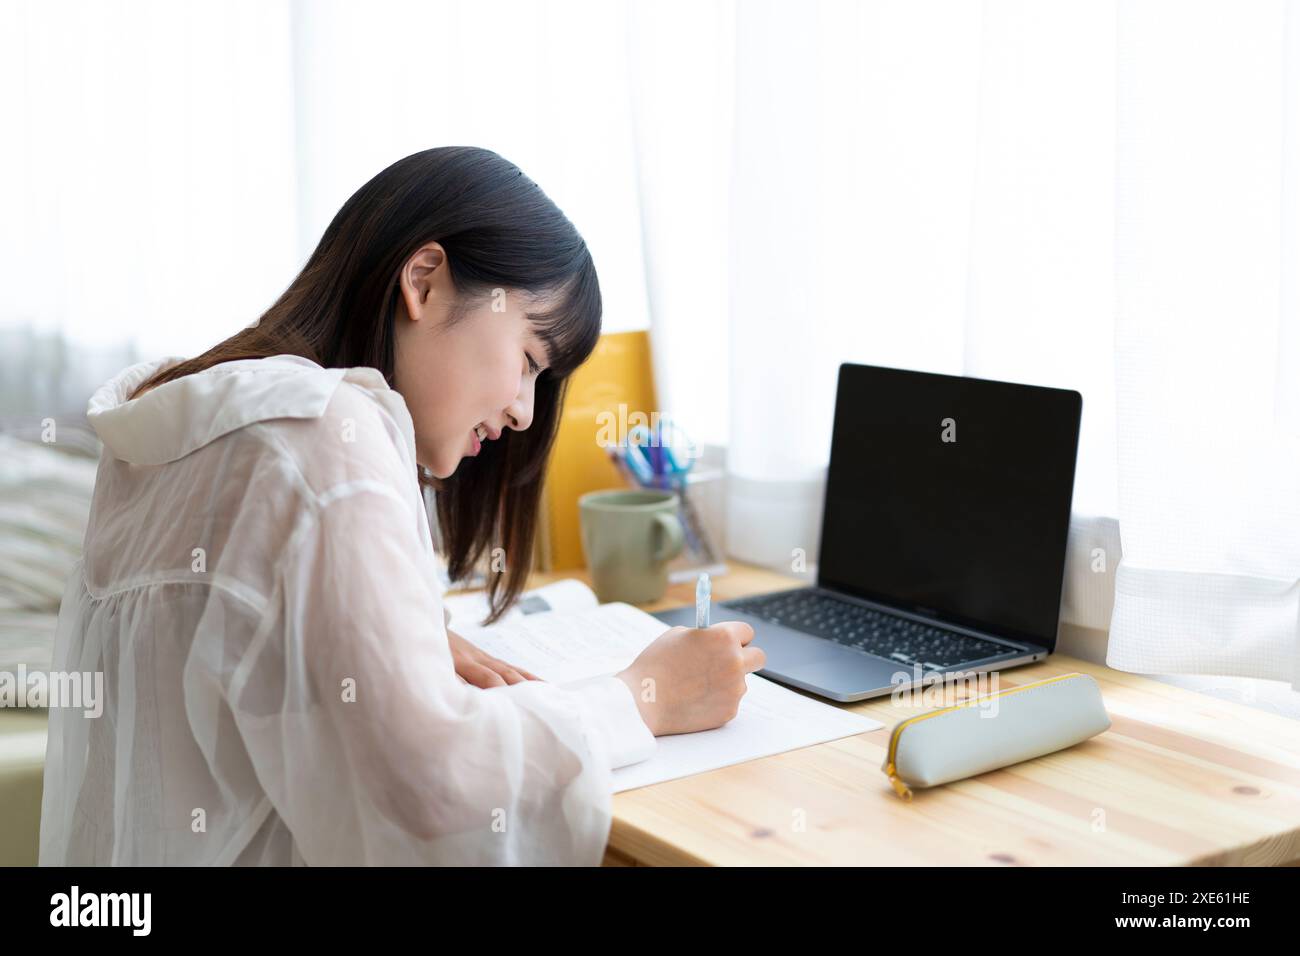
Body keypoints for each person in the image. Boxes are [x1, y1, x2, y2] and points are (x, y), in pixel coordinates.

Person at [37, 146, 764, 866]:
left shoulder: (191, 422)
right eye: (529, 360)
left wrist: (371, 627)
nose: (522, 411)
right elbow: (434, 795)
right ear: (424, 281)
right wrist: (646, 696)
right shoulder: (320, 443)